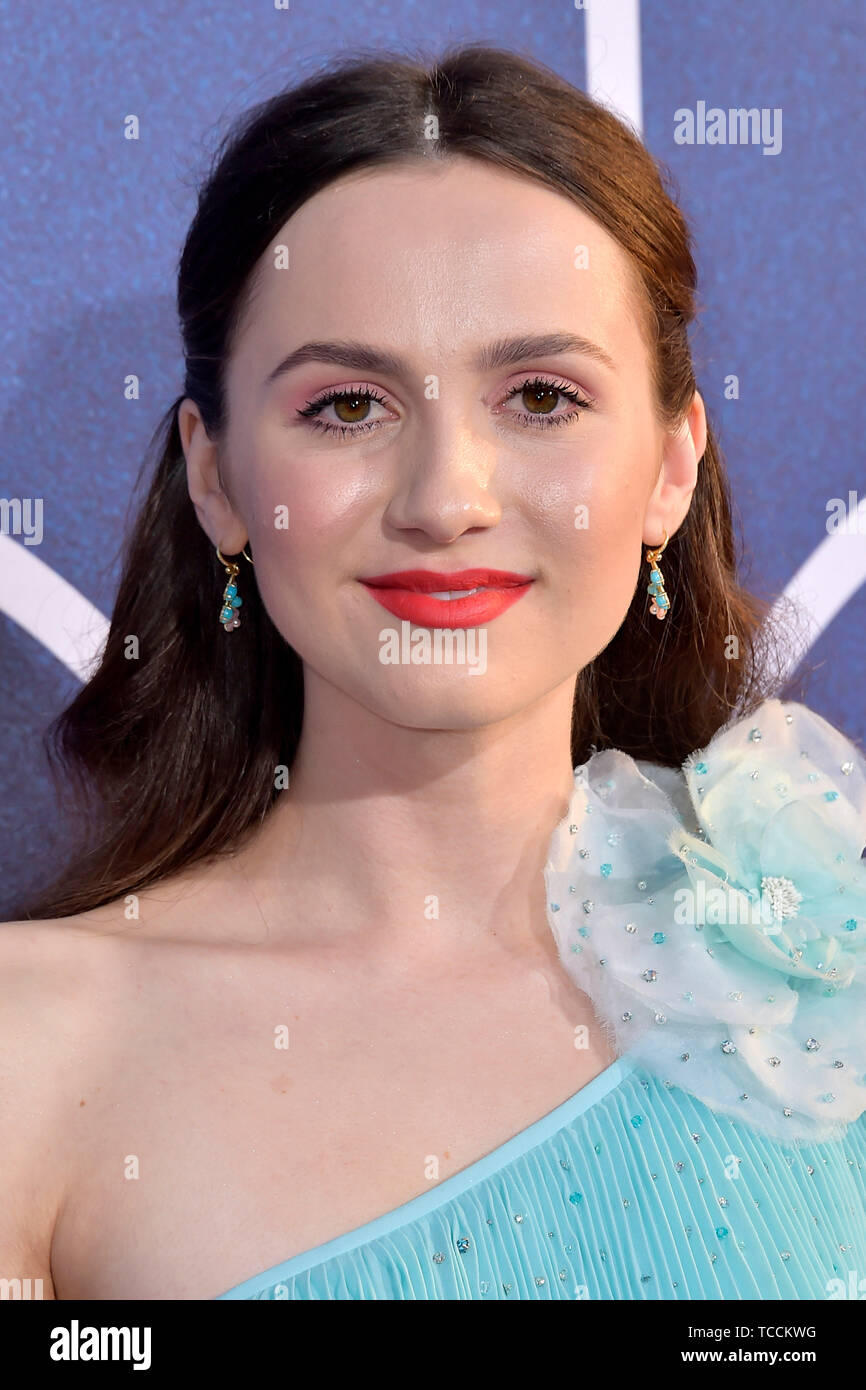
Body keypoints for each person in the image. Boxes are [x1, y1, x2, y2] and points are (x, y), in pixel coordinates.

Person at [3, 44, 865, 1302]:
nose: (444, 498)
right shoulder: (36, 1053)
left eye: (539, 395)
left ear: (671, 466)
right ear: (216, 475)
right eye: (347, 407)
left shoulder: (821, 942)